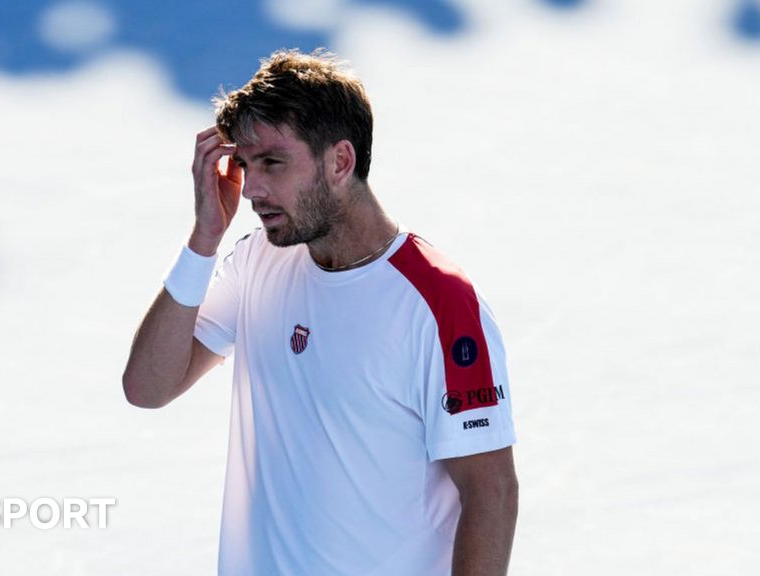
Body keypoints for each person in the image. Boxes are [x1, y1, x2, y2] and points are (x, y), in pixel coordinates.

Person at [122, 49, 518, 576]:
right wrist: (204, 240)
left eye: (272, 162)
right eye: (243, 163)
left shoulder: (439, 303)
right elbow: (148, 387)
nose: (252, 189)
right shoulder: (256, 260)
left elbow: (491, 493)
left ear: (340, 161)